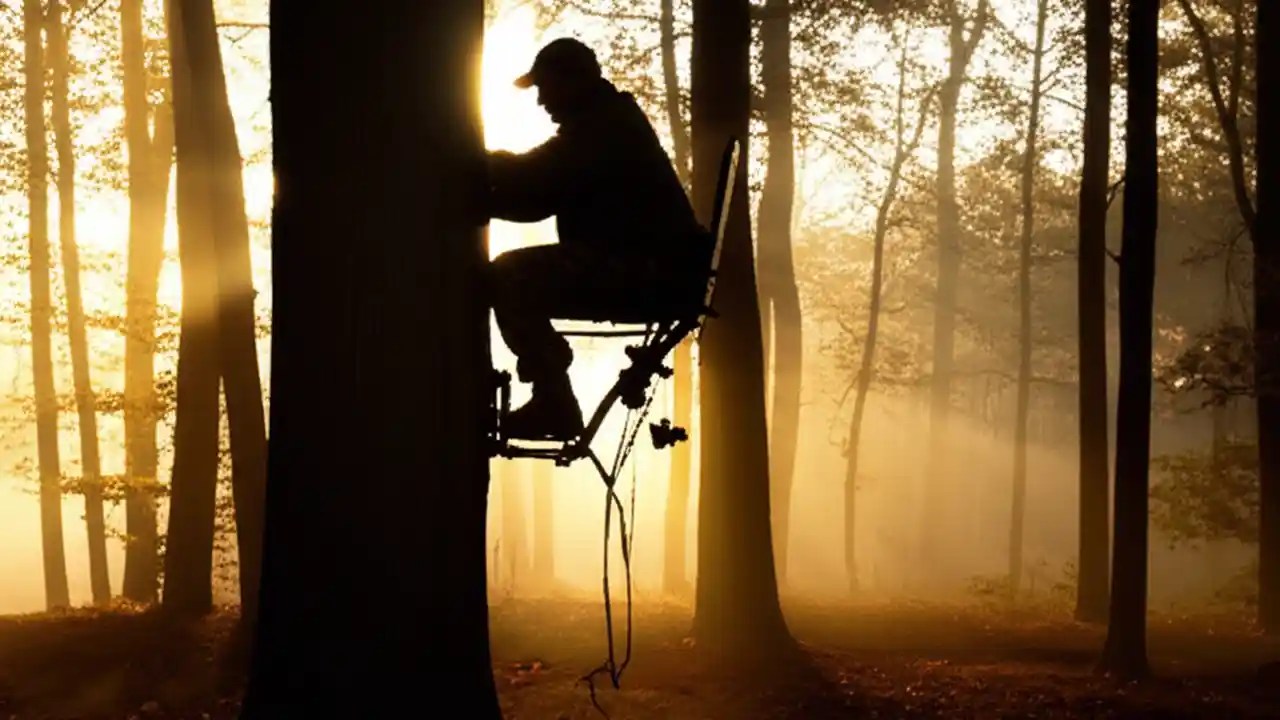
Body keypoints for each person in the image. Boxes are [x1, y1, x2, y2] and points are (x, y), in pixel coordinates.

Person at [487, 38, 708, 440]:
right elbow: (535, 195)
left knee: (510, 275)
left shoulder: (603, 128)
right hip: (658, 271)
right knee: (511, 273)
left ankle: (553, 401)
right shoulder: (606, 122)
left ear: (574, 81)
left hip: (648, 272)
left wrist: (473, 166)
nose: (541, 102)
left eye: (545, 87)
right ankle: (551, 391)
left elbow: (536, 182)